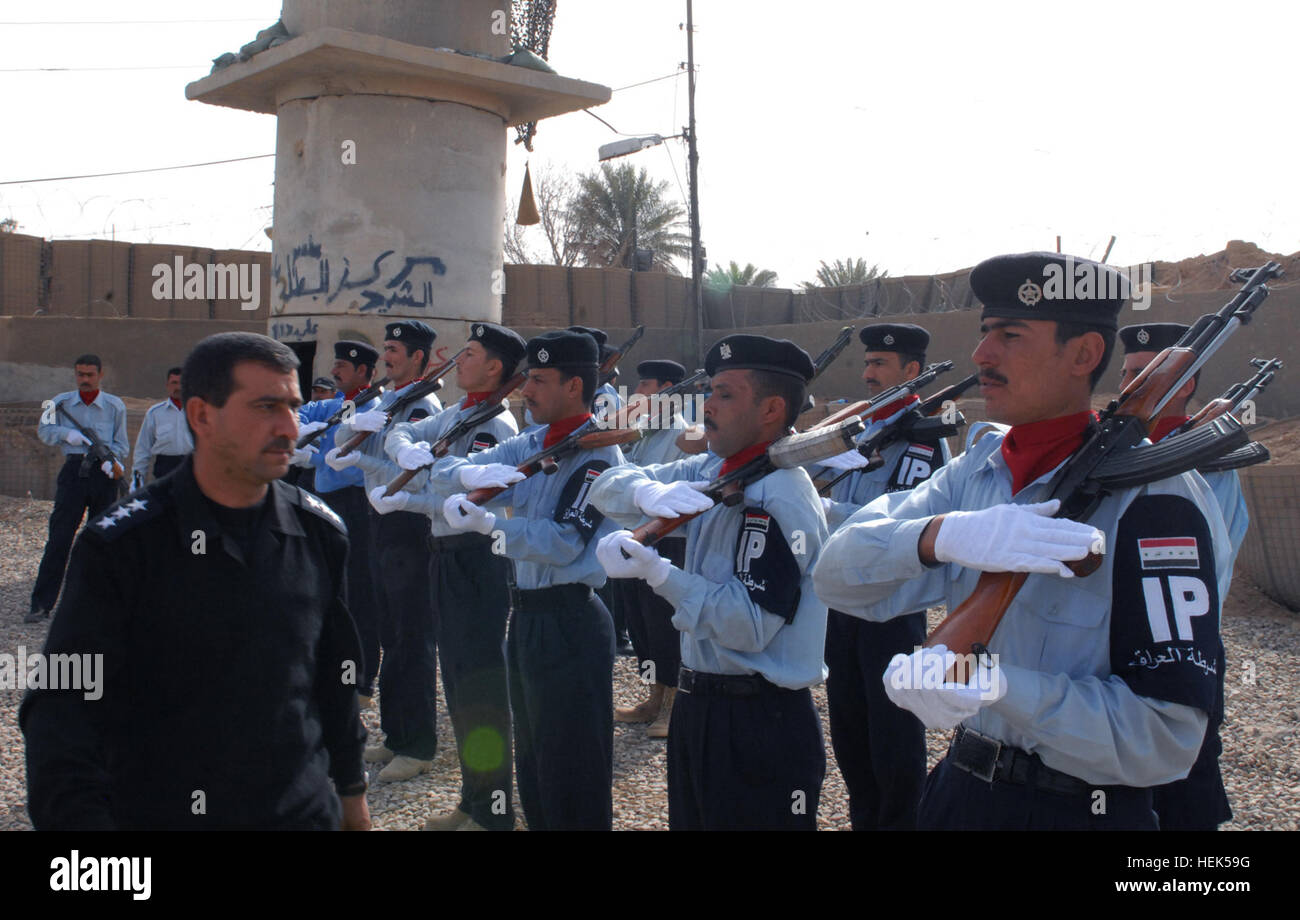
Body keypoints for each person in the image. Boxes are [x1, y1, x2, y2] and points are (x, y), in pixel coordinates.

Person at [812, 252, 1232, 830]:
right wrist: (941, 536)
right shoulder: (977, 470)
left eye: (1010, 335)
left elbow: (1166, 738)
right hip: (959, 794)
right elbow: (835, 576)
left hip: (1074, 811)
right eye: (986, 334)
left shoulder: (1157, 499)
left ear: (1083, 354)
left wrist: (999, 686)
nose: (983, 354)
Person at [19, 331, 369, 830]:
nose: (289, 426)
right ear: (202, 415)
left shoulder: (320, 534)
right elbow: (61, 713)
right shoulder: (122, 547)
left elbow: (336, 677)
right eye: (266, 406)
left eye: (293, 406)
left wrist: (352, 794)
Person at [588, 334, 829, 830]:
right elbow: (606, 484)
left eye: (725, 394)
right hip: (702, 708)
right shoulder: (714, 466)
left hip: (757, 720)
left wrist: (660, 574)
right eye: (710, 392)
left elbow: (747, 626)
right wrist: (646, 489)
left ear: (771, 409)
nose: (708, 407)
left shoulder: (778, 494)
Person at [425, 329, 623, 830]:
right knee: (535, 765)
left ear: (574, 385)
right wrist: (464, 478)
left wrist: (492, 525)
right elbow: (462, 471)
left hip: (571, 621)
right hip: (528, 618)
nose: (525, 390)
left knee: (572, 768)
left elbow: (563, 542)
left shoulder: (599, 455)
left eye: (538, 380)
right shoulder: (534, 442)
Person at [375, 321, 526, 831]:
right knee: (459, 684)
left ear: (495, 368)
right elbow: (403, 432)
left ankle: (494, 810)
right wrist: (401, 452)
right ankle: (474, 798)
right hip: (444, 552)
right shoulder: (460, 413)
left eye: (471, 353)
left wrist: (409, 497)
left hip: (475, 558)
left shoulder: (493, 428)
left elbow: (466, 497)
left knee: (479, 688)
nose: (458, 359)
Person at [816, 323, 950, 831]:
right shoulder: (862, 431)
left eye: (880, 365)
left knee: (893, 740)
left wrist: (826, 509)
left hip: (891, 612)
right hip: (844, 606)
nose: (868, 374)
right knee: (851, 734)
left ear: (911, 372)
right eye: (868, 363)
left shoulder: (921, 441)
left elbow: (898, 527)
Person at [1119, 322, 1247, 831]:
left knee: (1185, 788)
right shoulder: (1115, 451)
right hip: (1115, 646)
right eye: (1127, 373)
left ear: (1186, 383)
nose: (1130, 385)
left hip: (1181, 643)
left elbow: (1209, 562)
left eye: (1144, 373)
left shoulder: (1209, 456)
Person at [327, 321, 442, 783]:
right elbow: (343, 445)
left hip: (409, 524)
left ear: (417, 358)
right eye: (386, 349)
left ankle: (417, 744)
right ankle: (397, 735)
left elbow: (412, 475)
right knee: (391, 633)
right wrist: (352, 427)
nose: (386, 357)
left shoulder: (422, 405)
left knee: (412, 636)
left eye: (393, 350)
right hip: (382, 521)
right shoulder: (391, 400)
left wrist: (362, 459)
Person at [293, 340, 384, 709]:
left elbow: (373, 437)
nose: (335, 371)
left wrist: (344, 423)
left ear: (364, 372)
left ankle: (362, 679)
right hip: (325, 502)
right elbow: (298, 416)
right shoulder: (330, 405)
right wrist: (304, 435)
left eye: (343, 367)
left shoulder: (377, 410)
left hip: (359, 506)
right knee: (326, 586)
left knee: (360, 593)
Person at [611, 359, 691, 738]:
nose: (638, 393)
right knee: (639, 622)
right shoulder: (639, 431)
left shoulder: (682, 435)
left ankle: (675, 704)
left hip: (667, 541)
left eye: (646, 386)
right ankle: (653, 696)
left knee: (664, 623)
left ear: (670, 391)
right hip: (634, 536)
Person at [28, 354, 129, 623]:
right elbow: (44, 431)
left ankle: (99, 606)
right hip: (74, 472)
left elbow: (121, 444)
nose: (84, 380)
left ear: (100, 375)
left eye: (89, 375)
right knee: (59, 539)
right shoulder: (58, 402)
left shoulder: (115, 405)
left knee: (103, 541)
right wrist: (65, 434)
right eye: (80, 374)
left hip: (103, 474)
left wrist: (113, 462)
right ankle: (41, 604)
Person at [130, 366, 193, 490]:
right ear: (167, 385)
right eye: (174, 383)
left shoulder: (199, 413)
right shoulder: (155, 413)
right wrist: (137, 479)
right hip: (164, 470)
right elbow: (143, 449)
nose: (178, 387)